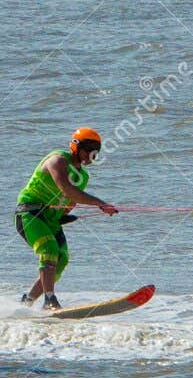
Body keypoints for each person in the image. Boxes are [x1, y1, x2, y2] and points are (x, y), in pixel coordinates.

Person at [15, 127, 118, 310]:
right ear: (76, 146)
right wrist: (100, 203)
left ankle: (27, 301)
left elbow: (69, 204)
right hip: (30, 213)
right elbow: (68, 190)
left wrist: (65, 217)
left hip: (51, 220)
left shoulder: (83, 176)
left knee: (61, 259)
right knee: (49, 250)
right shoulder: (58, 160)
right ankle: (49, 299)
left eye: (95, 154)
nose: (91, 157)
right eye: (89, 152)